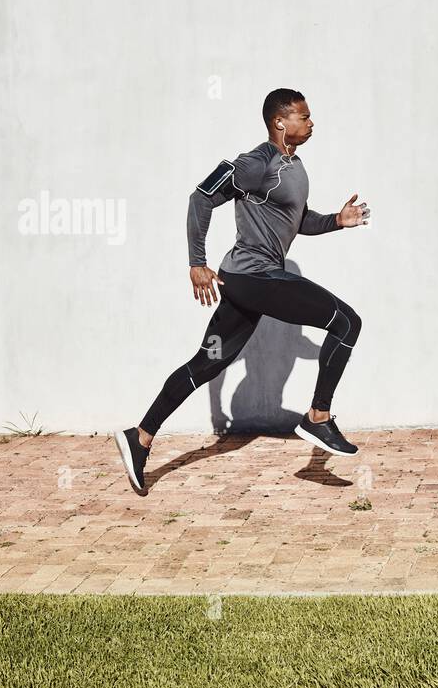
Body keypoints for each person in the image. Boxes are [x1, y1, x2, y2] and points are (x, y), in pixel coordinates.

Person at [114, 88, 370, 496]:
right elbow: (201, 197)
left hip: (245, 284)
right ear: (279, 122)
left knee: (206, 363)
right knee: (346, 322)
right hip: (256, 278)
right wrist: (197, 263)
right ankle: (318, 416)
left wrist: (336, 221)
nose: (311, 122)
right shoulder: (256, 162)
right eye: (304, 116)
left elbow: (297, 219)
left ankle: (139, 437)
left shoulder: (295, 166)